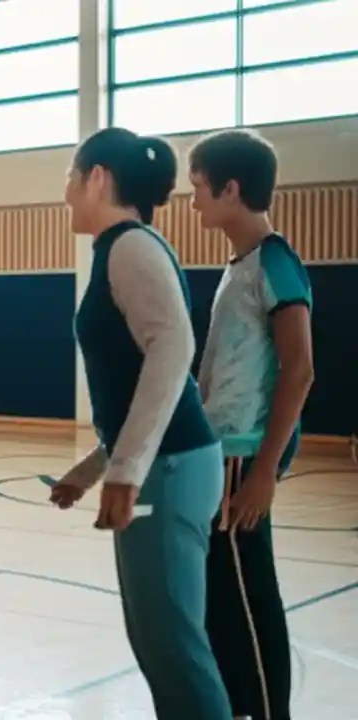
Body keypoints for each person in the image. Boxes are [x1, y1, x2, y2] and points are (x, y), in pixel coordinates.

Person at [47, 127, 231, 719]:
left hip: (171, 470)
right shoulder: (121, 247)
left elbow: (173, 350)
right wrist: (93, 467)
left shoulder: (131, 247)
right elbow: (134, 387)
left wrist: (127, 471)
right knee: (158, 641)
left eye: (72, 180)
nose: (67, 194)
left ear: (98, 178)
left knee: (174, 647)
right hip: (164, 465)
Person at [190, 129, 313, 720]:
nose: (192, 203)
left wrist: (265, 469)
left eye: (198, 190)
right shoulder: (238, 265)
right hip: (221, 453)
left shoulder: (275, 262)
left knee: (249, 597)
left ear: (230, 189)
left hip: (243, 458)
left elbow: (300, 370)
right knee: (224, 602)